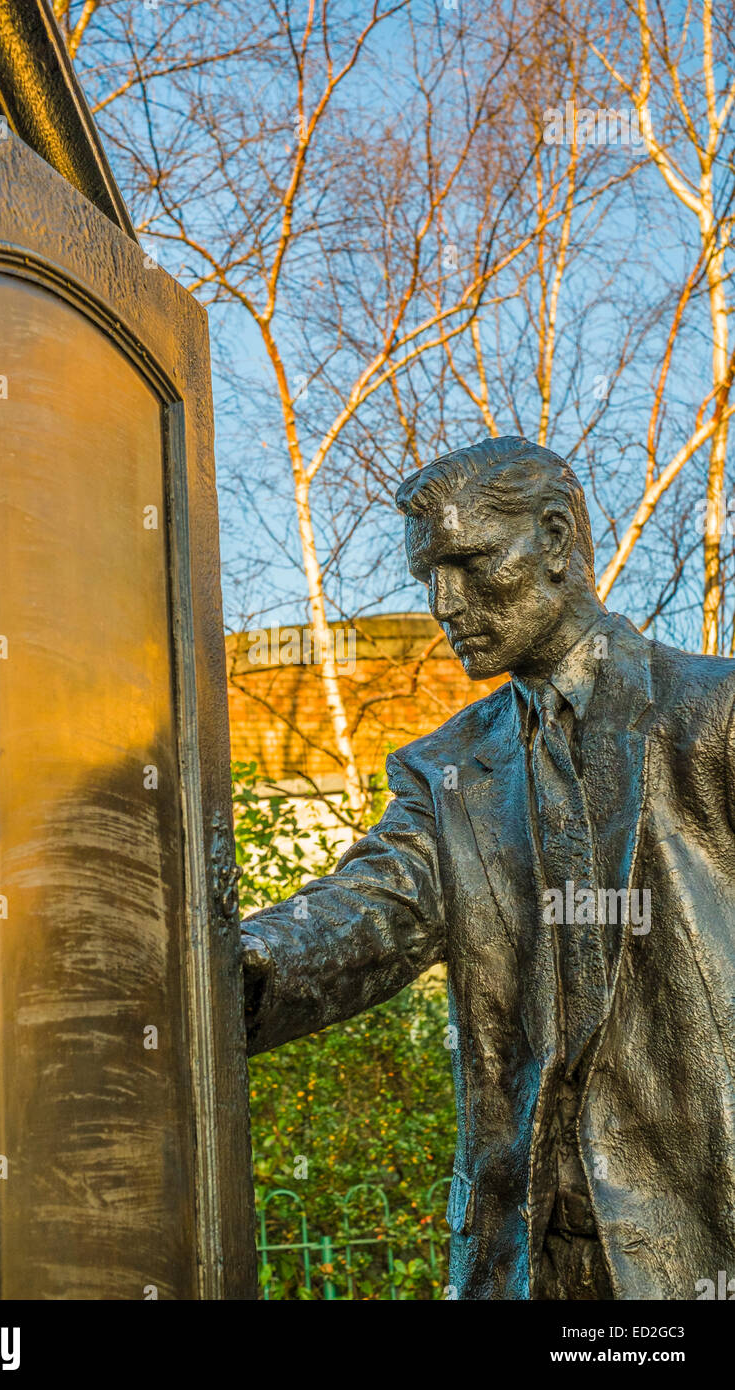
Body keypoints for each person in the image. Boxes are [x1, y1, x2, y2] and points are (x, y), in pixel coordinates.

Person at [241, 435, 735, 1300]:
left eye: (468, 562)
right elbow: (367, 913)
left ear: (553, 538)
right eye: (427, 575)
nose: (443, 601)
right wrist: (215, 973)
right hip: (528, 1256)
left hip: (702, 1235)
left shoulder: (713, 716)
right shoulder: (451, 771)